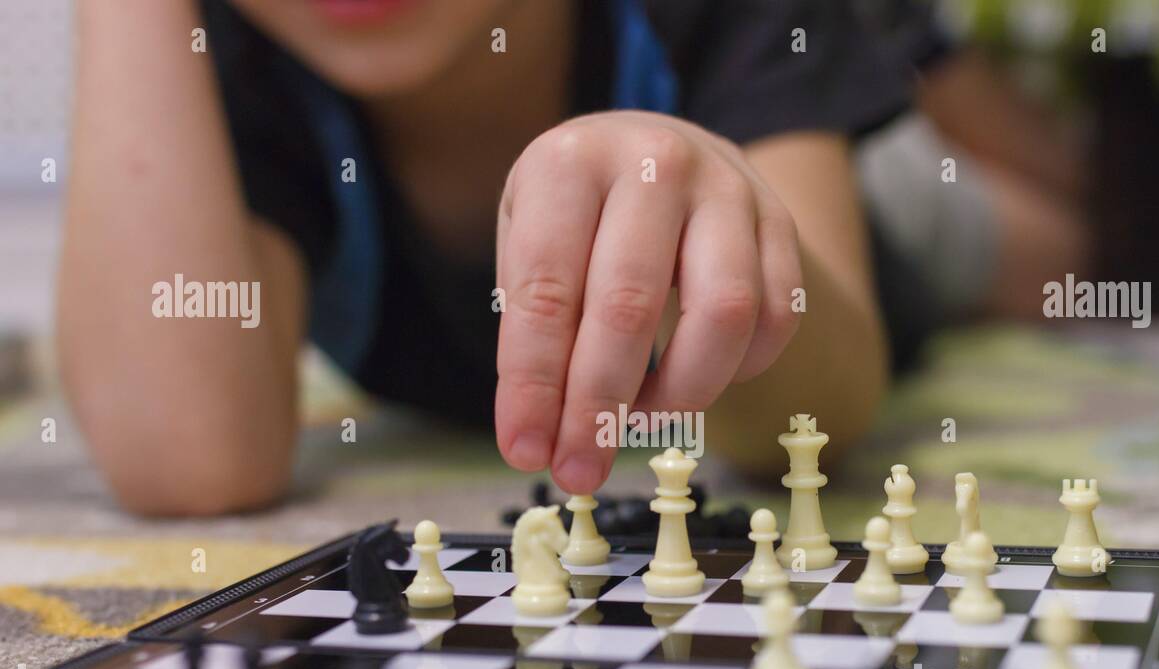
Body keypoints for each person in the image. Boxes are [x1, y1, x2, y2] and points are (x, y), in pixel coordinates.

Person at [57, 0, 912, 516]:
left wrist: (715, 229)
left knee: (982, 227)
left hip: (899, 223)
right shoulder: (215, 63)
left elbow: (817, 425)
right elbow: (192, 459)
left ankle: (929, 57)